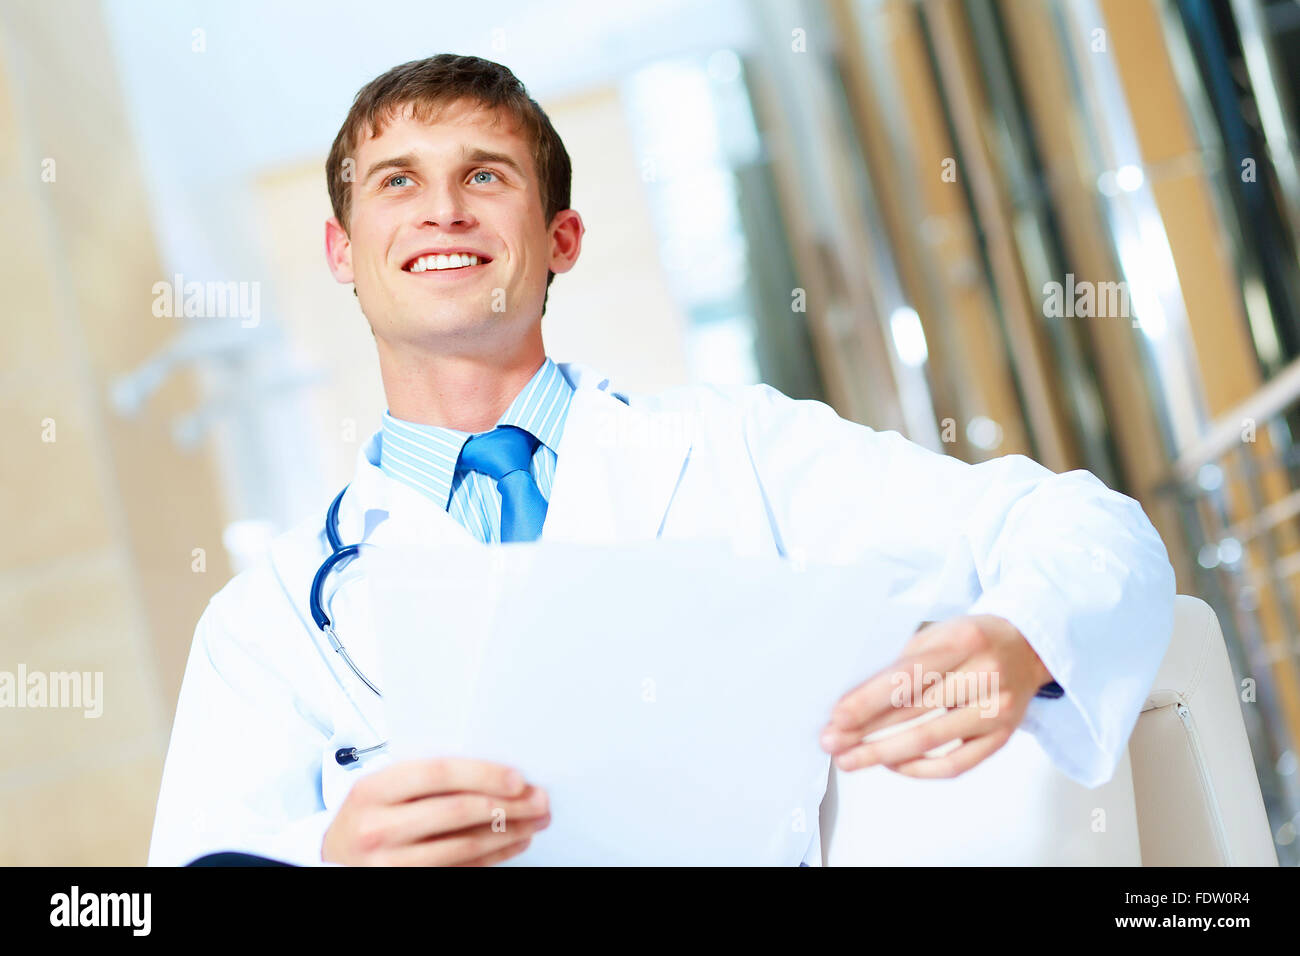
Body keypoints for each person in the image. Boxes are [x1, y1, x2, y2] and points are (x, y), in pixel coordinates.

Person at [147, 54, 1176, 867]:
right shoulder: (270, 616)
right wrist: (334, 860)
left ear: (561, 238)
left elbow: (1092, 529)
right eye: (397, 180)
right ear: (342, 252)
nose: (443, 209)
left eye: (485, 175)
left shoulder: (739, 449)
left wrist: (1017, 638)